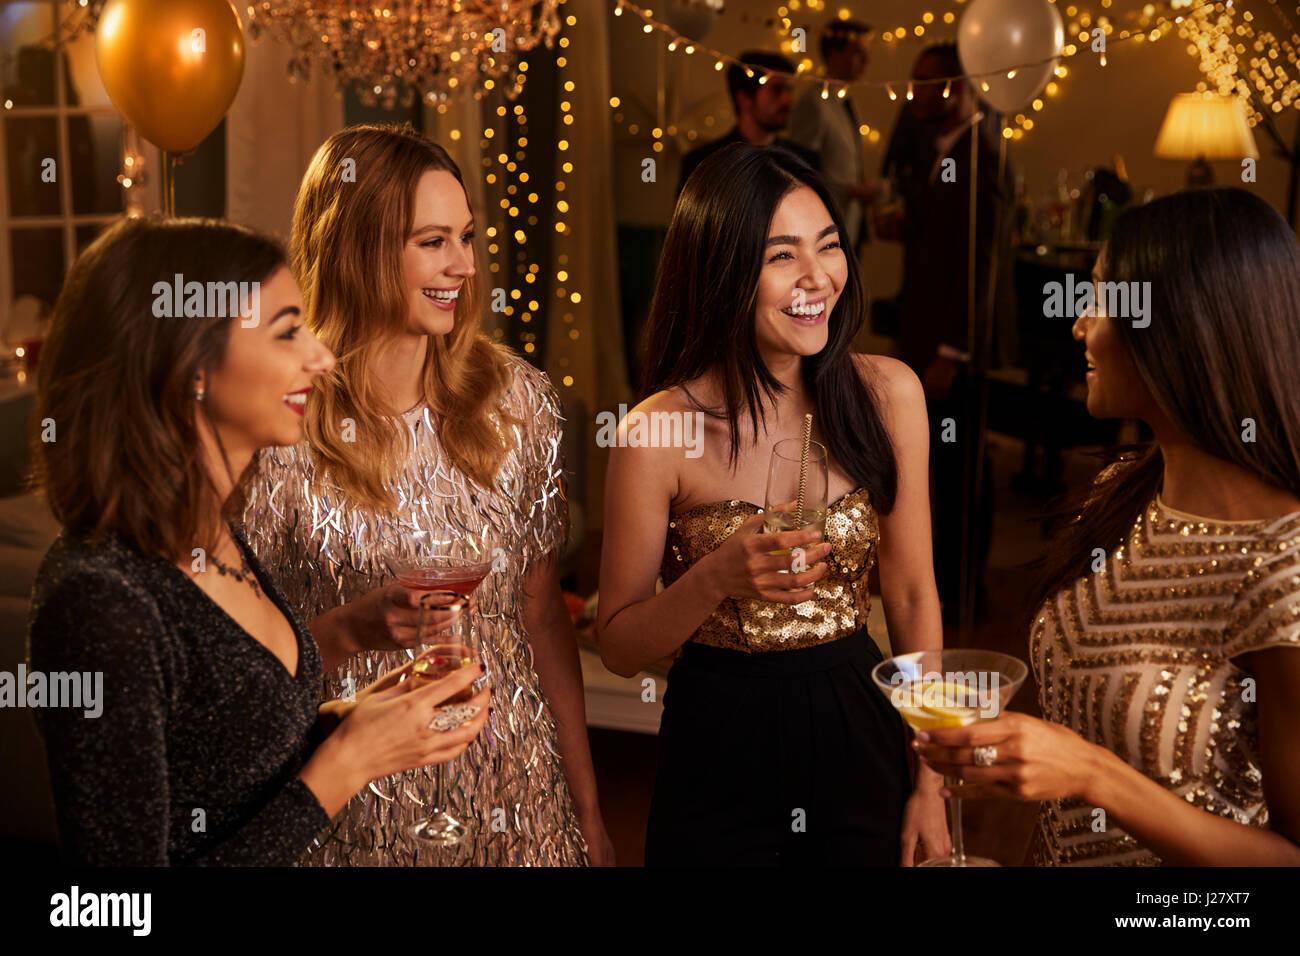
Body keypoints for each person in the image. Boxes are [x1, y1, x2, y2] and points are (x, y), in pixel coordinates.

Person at [27, 216, 490, 865]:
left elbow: (226, 762)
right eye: (287, 332)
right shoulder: (100, 602)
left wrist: (353, 711)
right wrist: (348, 764)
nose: (321, 357)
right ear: (190, 363)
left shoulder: (213, 531)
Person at [242, 124, 613, 866]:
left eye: (468, 238)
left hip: (517, 798)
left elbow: (542, 619)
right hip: (353, 810)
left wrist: (590, 813)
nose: (465, 266)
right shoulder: (277, 424)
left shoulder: (521, 404)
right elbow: (247, 662)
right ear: (361, 248)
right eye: (433, 241)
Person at [914, 189, 1300, 865]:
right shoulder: (1118, 493)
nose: (1078, 326)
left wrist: (1091, 774)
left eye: (1098, 301)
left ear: (1185, 327)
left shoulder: (1285, 571)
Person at [599, 143, 950, 865]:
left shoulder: (889, 395)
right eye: (782, 256)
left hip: (859, 723)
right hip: (717, 744)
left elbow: (913, 593)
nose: (818, 278)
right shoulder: (656, 433)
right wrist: (714, 578)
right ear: (722, 270)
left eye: (828, 246)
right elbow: (619, 646)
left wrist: (931, 780)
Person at [877, 42, 1016, 625]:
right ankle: (949, 583)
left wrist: (951, 351)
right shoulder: (945, 151)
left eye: (926, 82)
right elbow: (945, 243)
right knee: (941, 467)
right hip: (930, 337)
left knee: (959, 469)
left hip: (951, 350)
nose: (915, 94)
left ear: (959, 87)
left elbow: (981, 263)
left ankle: (960, 591)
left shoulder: (982, 155)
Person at [787, 19, 883, 249]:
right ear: (833, 53)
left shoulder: (846, 102)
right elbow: (800, 170)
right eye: (858, 53)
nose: (866, 61)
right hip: (824, 226)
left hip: (849, 224)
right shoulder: (814, 103)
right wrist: (852, 190)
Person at [678, 51, 820, 194]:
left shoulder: (804, 163)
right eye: (776, 90)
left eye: (789, 90)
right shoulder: (704, 165)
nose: (787, 100)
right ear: (744, 99)